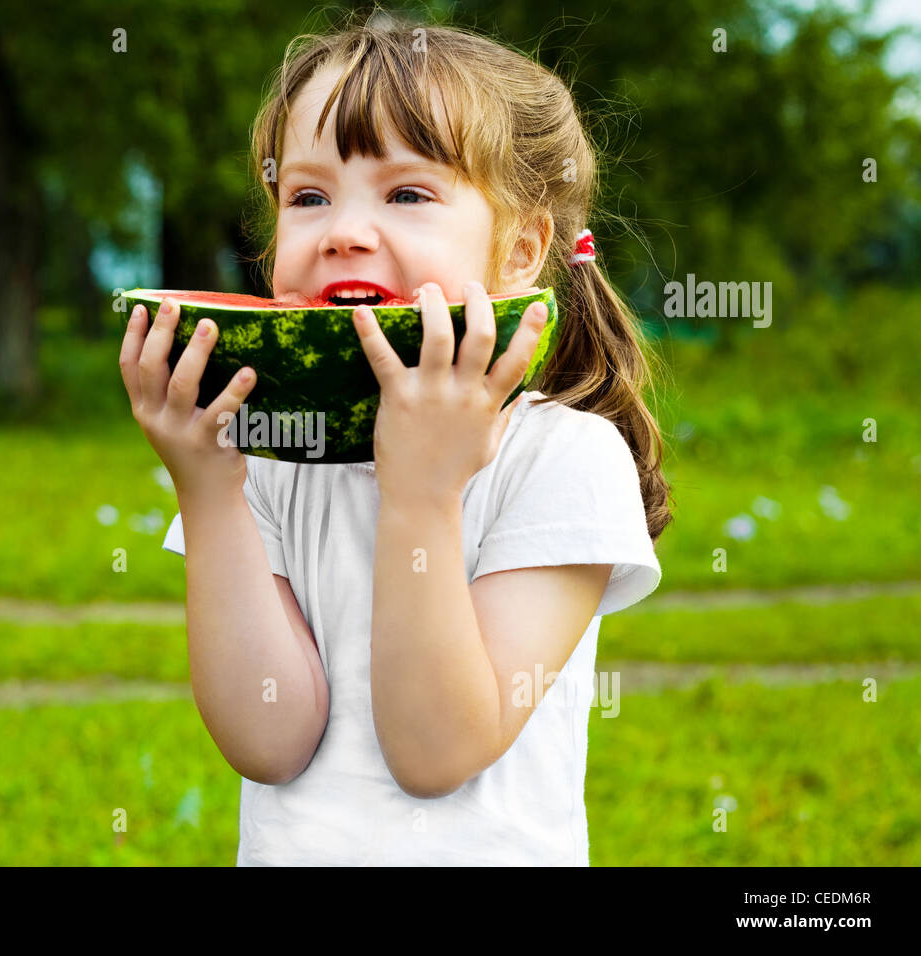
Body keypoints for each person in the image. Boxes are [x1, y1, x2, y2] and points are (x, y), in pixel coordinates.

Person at [121, 12, 675, 866]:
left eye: (407, 193)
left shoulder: (563, 458)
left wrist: (421, 494)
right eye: (307, 197)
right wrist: (206, 486)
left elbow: (436, 754)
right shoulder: (270, 458)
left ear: (522, 248)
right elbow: (269, 740)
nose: (340, 230)